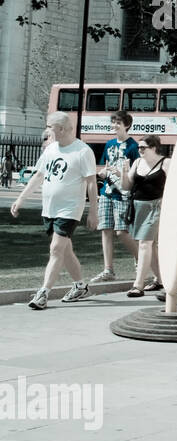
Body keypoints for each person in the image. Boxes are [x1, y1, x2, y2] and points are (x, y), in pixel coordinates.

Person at [9, 112, 99, 310]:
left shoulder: (82, 151)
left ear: (62, 128)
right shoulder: (50, 150)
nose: (47, 130)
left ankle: (43, 293)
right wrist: (20, 198)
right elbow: (38, 176)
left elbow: (91, 183)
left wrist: (93, 211)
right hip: (50, 208)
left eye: (50, 126)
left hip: (70, 209)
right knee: (65, 250)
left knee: (56, 248)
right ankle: (80, 286)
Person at [89, 110, 140, 284]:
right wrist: (103, 173)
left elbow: (134, 174)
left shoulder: (133, 147)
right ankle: (108, 269)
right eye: (113, 123)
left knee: (122, 232)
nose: (114, 126)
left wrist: (120, 173)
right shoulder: (109, 144)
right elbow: (106, 166)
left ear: (127, 125)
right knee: (105, 230)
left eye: (118, 123)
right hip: (107, 192)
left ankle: (142, 259)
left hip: (123, 194)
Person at [119, 135, 169, 297]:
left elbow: (174, 186)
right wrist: (124, 172)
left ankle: (138, 285)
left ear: (153, 148)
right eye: (139, 148)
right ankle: (160, 280)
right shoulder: (137, 163)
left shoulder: (166, 163)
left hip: (156, 206)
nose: (139, 150)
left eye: (142, 147)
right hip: (137, 206)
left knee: (144, 243)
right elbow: (126, 186)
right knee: (150, 245)